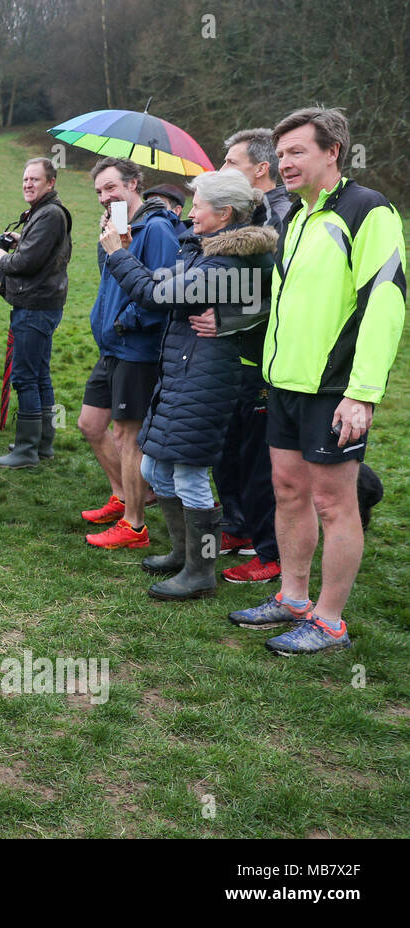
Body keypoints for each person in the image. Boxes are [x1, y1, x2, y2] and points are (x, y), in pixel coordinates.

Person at [230, 108, 406, 654]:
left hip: (335, 388)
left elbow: (386, 300)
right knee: (287, 492)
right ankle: (293, 597)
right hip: (283, 382)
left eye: (297, 151)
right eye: (280, 154)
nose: (284, 163)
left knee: (335, 503)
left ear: (333, 152)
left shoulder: (367, 210)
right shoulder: (294, 218)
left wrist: (363, 391)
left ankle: (329, 622)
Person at [102, 169, 277, 599]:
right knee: (154, 467)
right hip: (183, 371)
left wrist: (117, 255)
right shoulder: (204, 249)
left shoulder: (232, 260)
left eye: (197, 205)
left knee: (190, 474)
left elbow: (155, 296)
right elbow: (165, 284)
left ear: (225, 213)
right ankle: (184, 553)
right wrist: (131, 255)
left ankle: (201, 571)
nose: (189, 212)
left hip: (210, 376)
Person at [78, 157, 182, 548]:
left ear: (134, 184)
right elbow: (112, 281)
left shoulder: (156, 229)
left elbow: (162, 291)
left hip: (137, 347)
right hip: (112, 347)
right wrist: (108, 243)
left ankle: (134, 525)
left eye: (111, 188)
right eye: (100, 192)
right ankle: (123, 495)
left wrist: (127, 322)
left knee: (127, 435)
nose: (105, 197)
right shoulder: (121, 226)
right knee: (90, 424)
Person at [215, 127, 294, 584]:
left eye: (230, 162)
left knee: (261, 460)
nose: (223, 169)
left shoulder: (281, 216)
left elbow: (275, 292)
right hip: (238, 355)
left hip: (268, 358)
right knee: (232, 450)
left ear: (259, 169)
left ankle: (270, 553)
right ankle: (238, 528)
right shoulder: (250, 212)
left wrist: (225, 320)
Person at [0, 157, 73, 468]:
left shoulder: (50, 214)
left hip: (35, 306)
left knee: (25, 378)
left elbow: (26, 263)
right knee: (40, 375)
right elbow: (43, 253)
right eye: (25, 179)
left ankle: (25, 450)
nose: (28, 184)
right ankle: (42, 444)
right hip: (43, 304)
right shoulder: (46, 212)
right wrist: (23, 240)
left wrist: (2, 257)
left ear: (50, 183)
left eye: (35, 180)